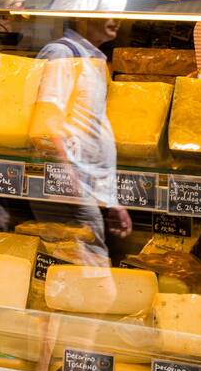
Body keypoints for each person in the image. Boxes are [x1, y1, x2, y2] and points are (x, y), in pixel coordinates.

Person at [33, 16, 131, 251]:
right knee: (79, 267)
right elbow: (47, 126)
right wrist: (75, 190)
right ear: (83, 17)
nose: (115, 19)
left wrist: (109, 199)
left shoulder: (94, 59)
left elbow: (96, 130)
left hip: (87, 187)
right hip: (69, 188)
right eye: (105, 11)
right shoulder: (61, 53)